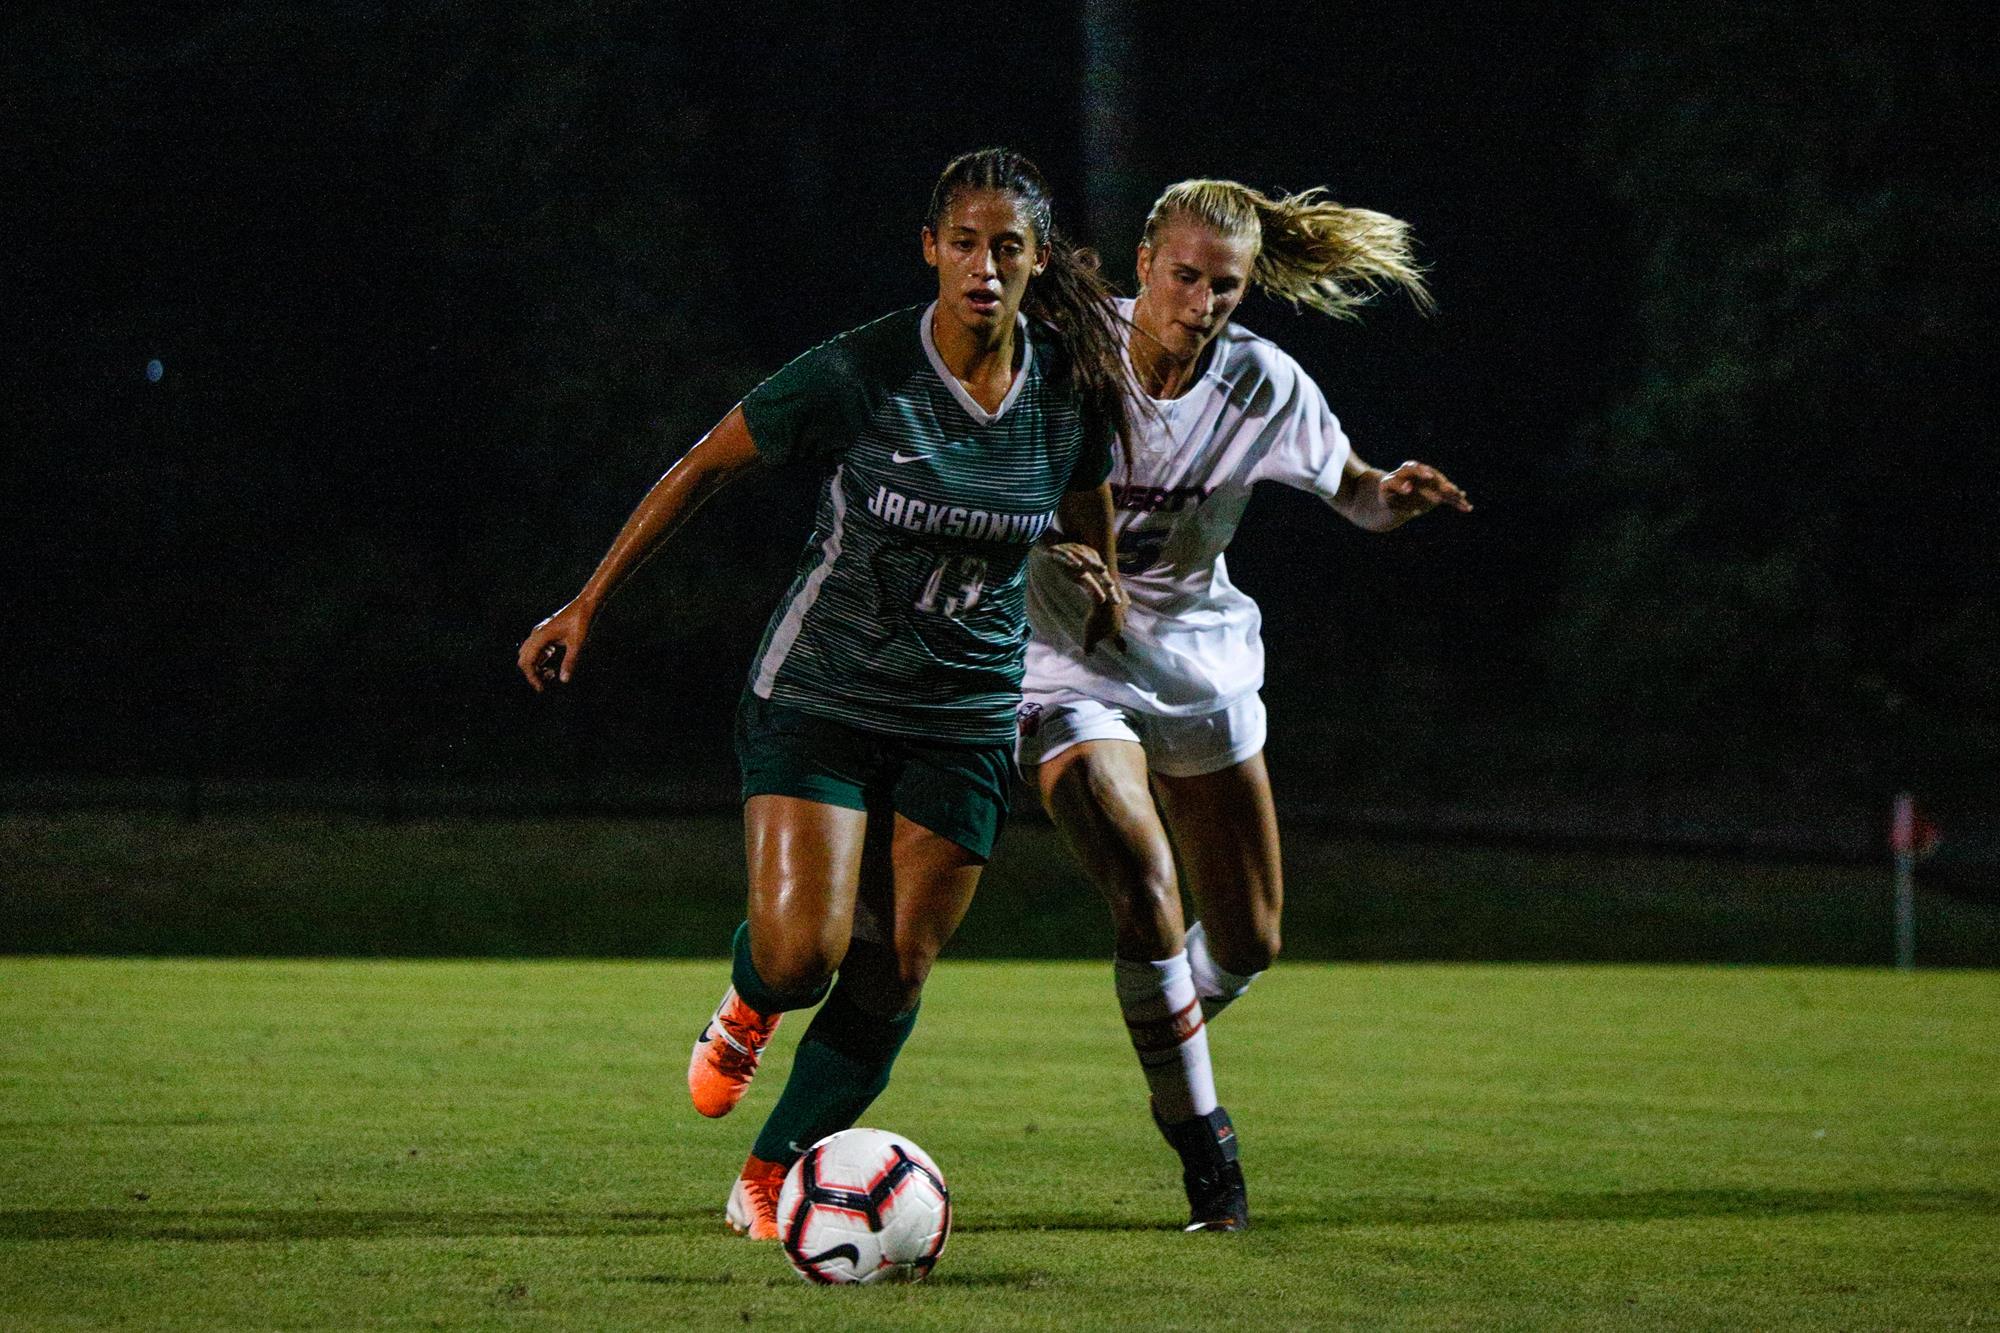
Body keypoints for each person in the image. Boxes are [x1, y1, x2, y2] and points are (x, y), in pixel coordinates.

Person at [518, 148, 1131, 1240]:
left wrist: (1103, 584)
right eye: (962, 243)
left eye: (1006, 247)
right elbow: (703, 463)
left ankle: (771, 1171)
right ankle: (751, 998)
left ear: (1036, 261)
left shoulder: (1069, 387)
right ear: (930, 250)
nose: (982, 266)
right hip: (824, 690)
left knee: (896, 969)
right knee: (806, 950)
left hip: (966, 710)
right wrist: (585, 601)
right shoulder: (860, 370)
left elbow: (1084, 509)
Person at [1017, 179, 1470, 1231]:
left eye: (1224, 285)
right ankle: (1207, 1155)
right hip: (1065, 659)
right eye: (1183, 276)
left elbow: (1347, 487)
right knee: (1134, 861)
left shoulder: (1263, 384)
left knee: (1251, 939)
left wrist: (1387, 498)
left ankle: (1160, 1013)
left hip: (1197, 661)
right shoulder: (1068, 350)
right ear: (1141, 266)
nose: (1201, 301)